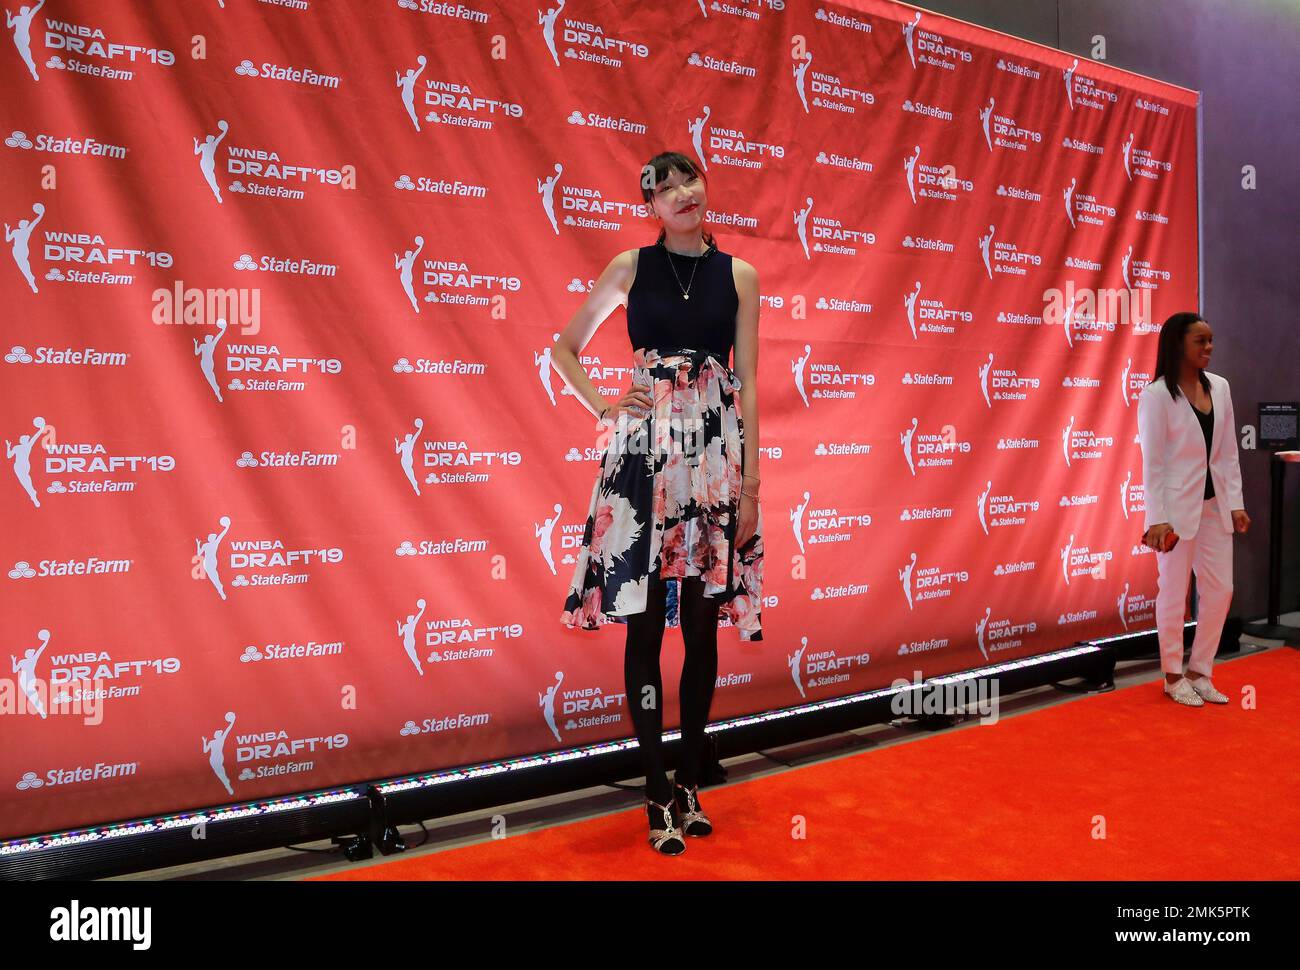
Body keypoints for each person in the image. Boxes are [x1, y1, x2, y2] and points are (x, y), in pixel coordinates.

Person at [552, 151, 765, 855]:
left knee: (702, 627)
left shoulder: (740, 276)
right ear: (650, 206)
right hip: (644, 461)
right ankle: (653, 792)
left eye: (688, 180)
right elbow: (564, 348)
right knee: (643, 629)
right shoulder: (628, 268)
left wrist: (752, 486)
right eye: (664, 188)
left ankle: (691, 779)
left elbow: (751, 384)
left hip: (710, 465)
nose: (681, 193)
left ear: (706, 187)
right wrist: (607, 404)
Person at [1136, 312, 1249, 707]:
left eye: (1211, 340)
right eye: (1200, 341)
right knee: (1173, 592)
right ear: (1177, 345)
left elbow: (1227, 453)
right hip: (1175, 514)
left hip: (1216, 506)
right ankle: (1171, 675)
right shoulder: (1156, 396)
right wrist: (1156, 519)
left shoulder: (1221, 387)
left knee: (1221, 590)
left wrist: (1235, 504)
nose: (1209, 348)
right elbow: (1152, 463)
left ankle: (1200, 671)